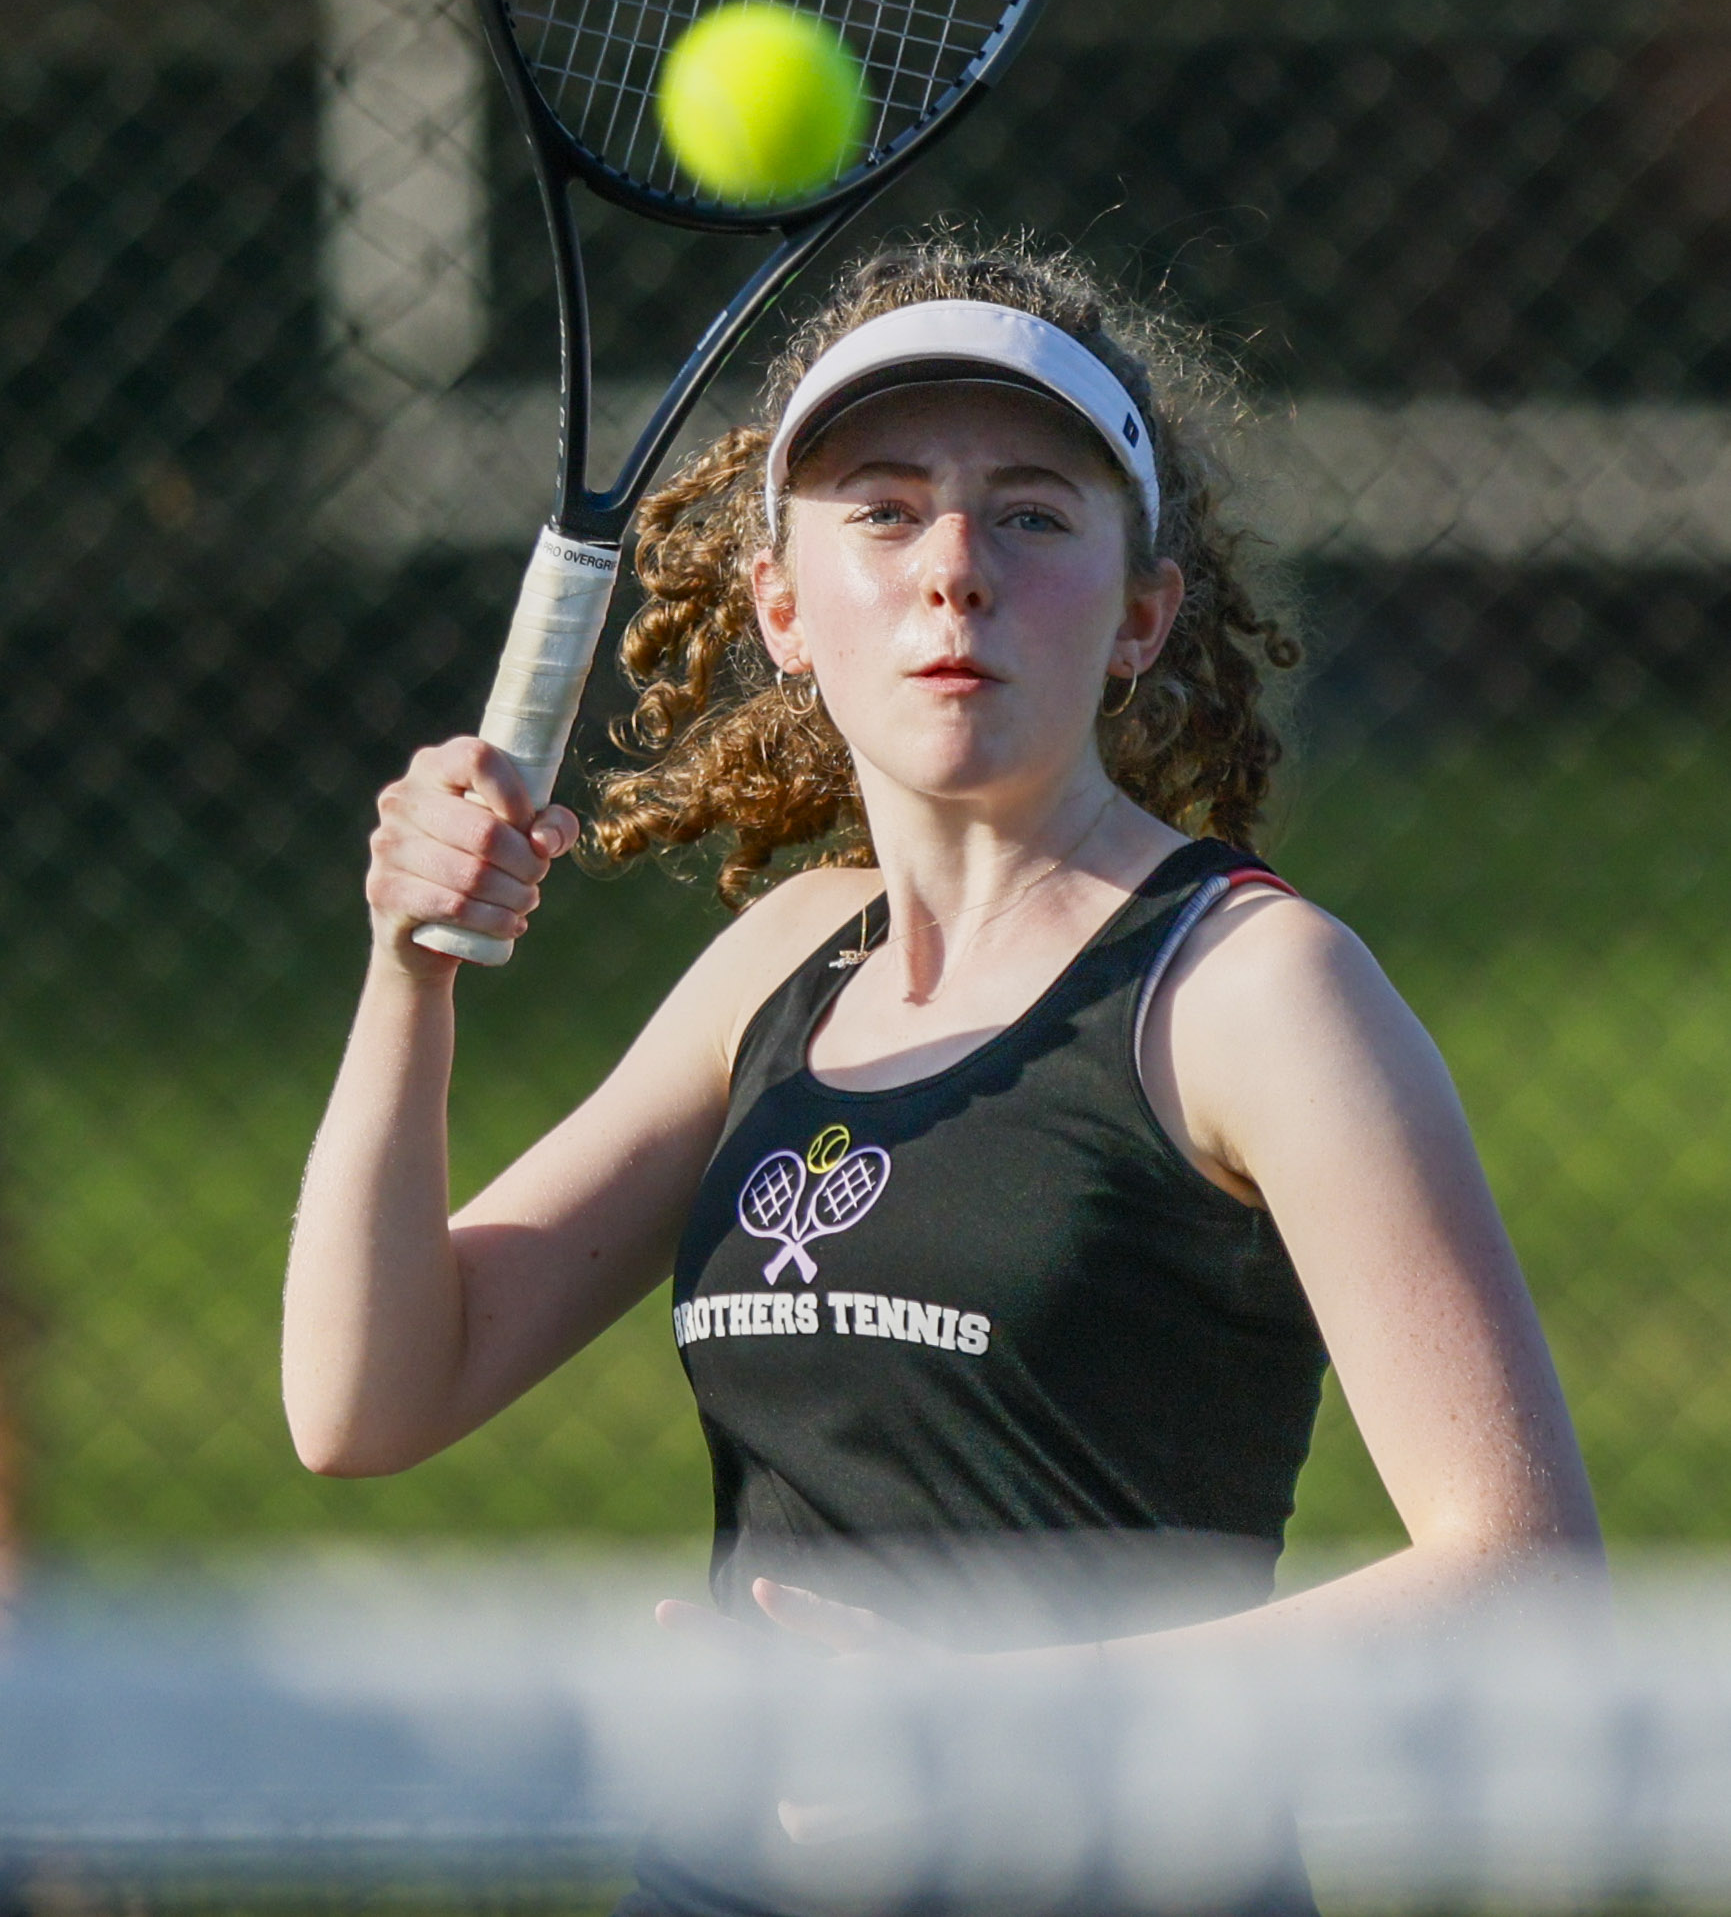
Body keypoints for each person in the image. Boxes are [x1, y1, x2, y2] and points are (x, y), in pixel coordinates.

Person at [282, 233, 1600, 1916]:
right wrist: (411, 972)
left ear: (1140, 618)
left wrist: (988, 1727)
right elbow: (368, 1398)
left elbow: (1525, 1581)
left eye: (1033, 514)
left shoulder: (1253, 991)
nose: (955, 568)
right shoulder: (780, 963)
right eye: (884, 510)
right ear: (784, 611)